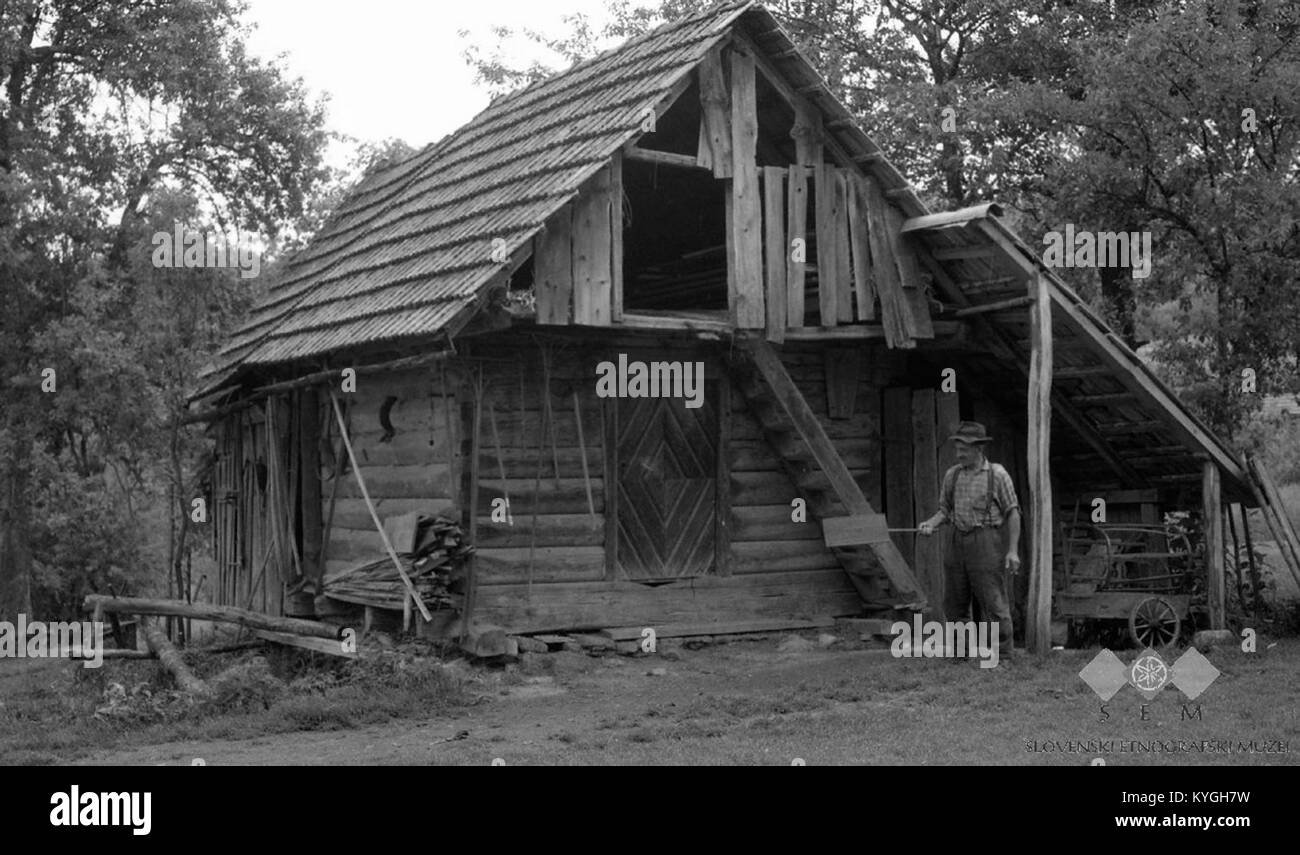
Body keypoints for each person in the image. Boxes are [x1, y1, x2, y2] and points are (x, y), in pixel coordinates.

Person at [917, 421, 1021, 657]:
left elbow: (1013, 513)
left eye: (964, 449)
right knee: (954, 603)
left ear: (978, 448)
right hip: (956, 540)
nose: (959, 453)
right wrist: (930, 524)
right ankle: (960, 653)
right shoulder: (952, 475)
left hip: (985, 540)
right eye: (957, 448)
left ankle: (1003, 654)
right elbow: (944, 510)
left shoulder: (997, 475)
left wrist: (1012, 550)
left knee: (993, 602)